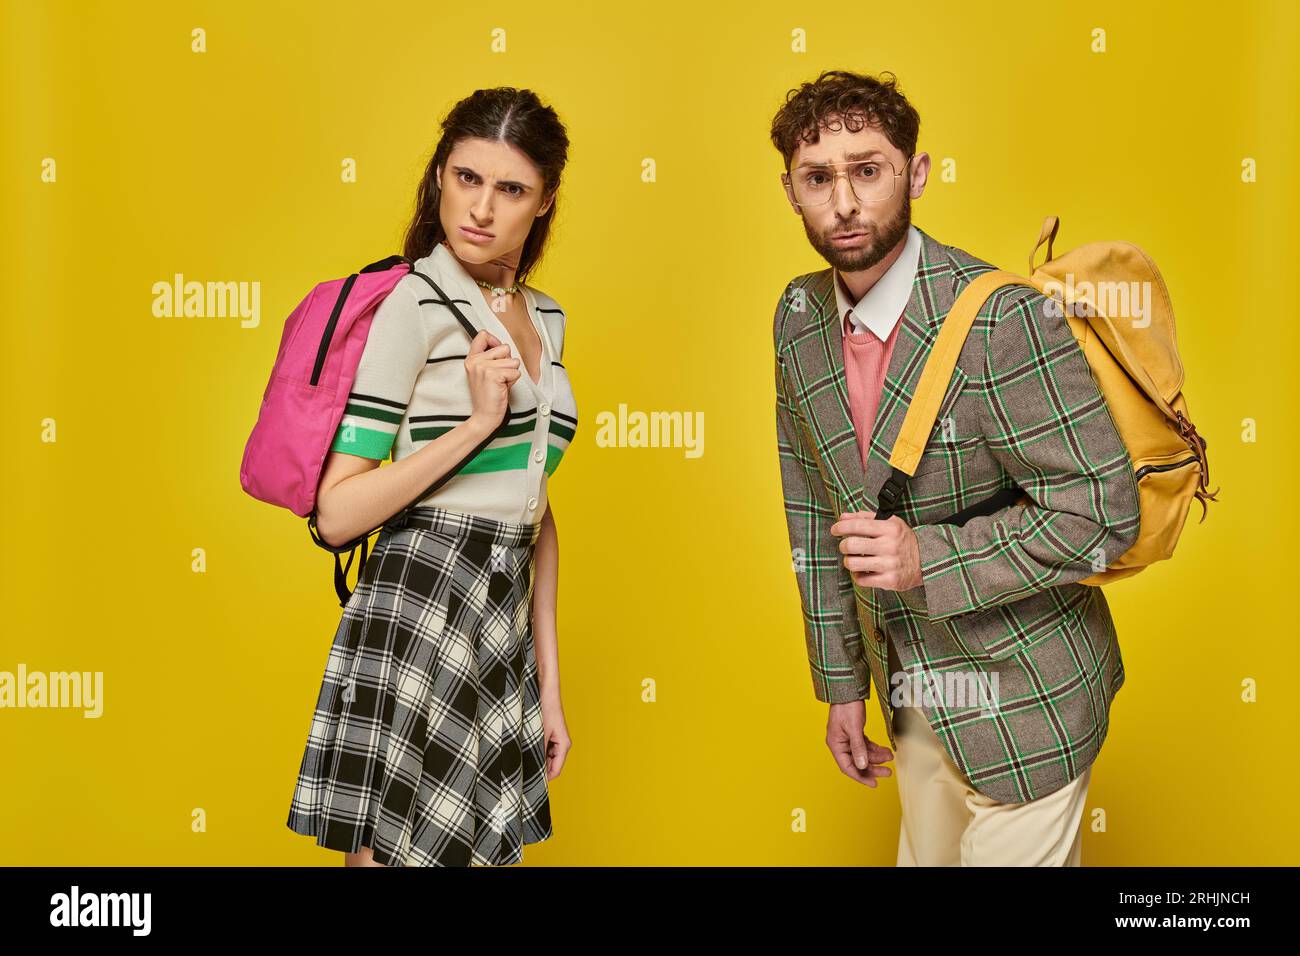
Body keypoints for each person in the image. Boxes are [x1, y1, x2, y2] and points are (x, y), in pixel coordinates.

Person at [769, 69, 1141, 866]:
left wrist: (922, 558)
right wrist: (841, 683)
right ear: (789, 190)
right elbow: (811, 510)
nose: (843, 201)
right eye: (818, 177)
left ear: (918, 173)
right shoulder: (798, 317)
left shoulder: (1002, 320)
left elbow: (1105, 514)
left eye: (868, 170)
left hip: (1027, 697)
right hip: (912, 694)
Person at [285, 86, 579, 867]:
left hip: (498, 609)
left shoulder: (545, 319)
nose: (481, 208)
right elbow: (337, 515)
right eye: (466, 178)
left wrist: (548, 684)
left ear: (544, 199)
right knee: (391, 857)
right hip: (422, 596)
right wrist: (477, 425)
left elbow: (536, 515)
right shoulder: (413, 304)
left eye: (510, 188)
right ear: (440, 177)